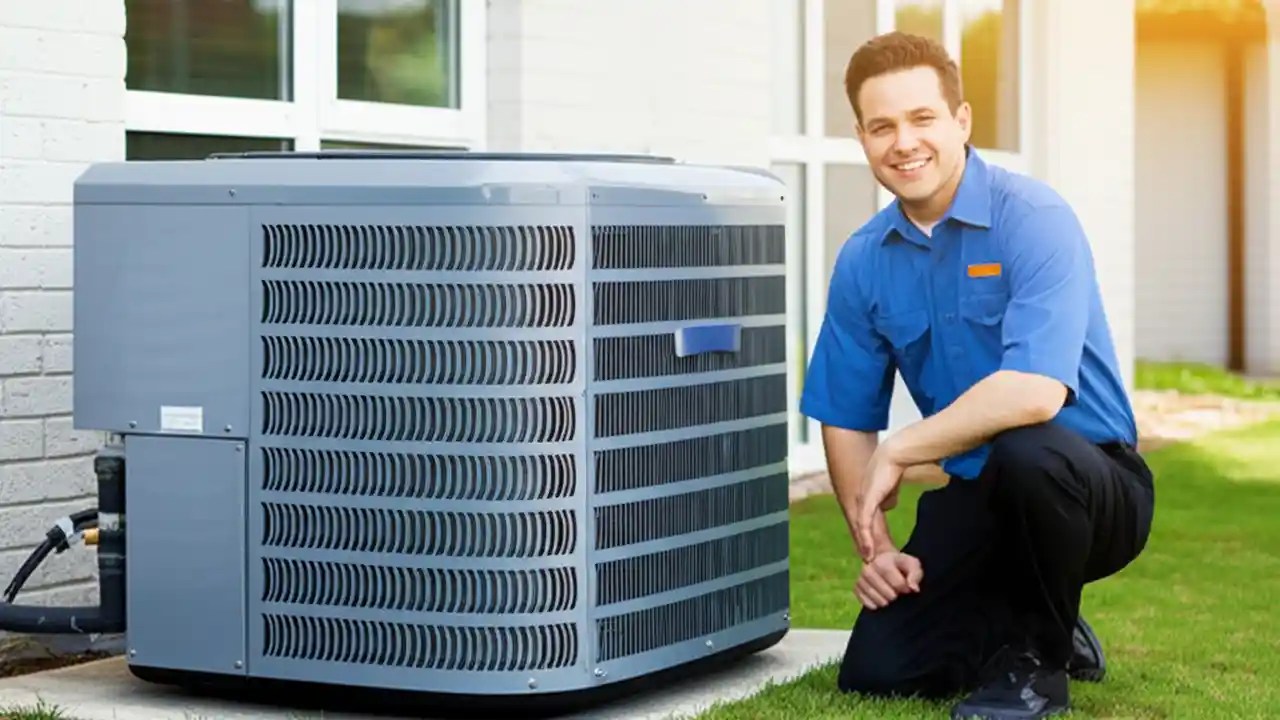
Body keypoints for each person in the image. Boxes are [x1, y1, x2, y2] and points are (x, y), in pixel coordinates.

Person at [798, 31, 1156, 720]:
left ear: (961, 120)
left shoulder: (1035, 219)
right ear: (862, 138)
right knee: (881, 672)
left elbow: (1036, 393)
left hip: (1091, 487)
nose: (904, 142)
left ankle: (1037, 669)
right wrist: (875, 548)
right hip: (981, 491)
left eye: (922, 118)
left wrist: (903, 448)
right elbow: (843, 411)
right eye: (882, 127)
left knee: (1028, 449)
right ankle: (1047, 619)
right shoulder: (864, 260)